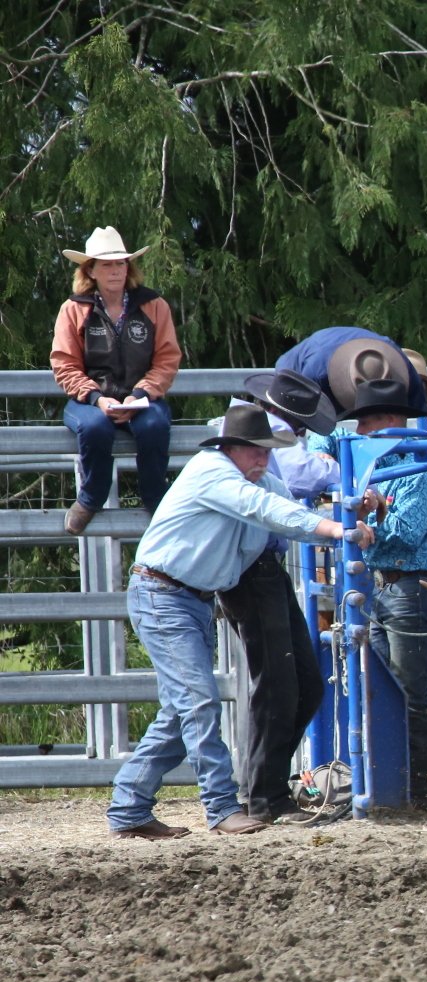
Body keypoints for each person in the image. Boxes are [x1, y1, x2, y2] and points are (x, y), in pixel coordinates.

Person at [108, 405, 371, 840]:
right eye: (255, 450)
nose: (264, 459)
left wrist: (344, 519)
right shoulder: (213, 473)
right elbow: (266, 509)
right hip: (164, 595)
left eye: (267, 451)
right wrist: (336, 531)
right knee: (197, 704)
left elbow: (288, 517)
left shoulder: (255, 479)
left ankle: (128, 807)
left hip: (186, 597)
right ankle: (222, 808)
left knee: (181, 711)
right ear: (229, 448)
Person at [217, 368, 339, 821]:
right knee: (283, 685)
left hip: (263, 570)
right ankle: (266, 794)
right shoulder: (271, 437)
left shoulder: (257, 437)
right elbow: (302, 480)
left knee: (298, 684)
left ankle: (263, 786)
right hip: (254, 573)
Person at [330, 378, 427, 806]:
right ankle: (414, 783)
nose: (360, 433)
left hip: (408, 588)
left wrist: (370, 516)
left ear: (389, 421)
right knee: (393, 687)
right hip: (392, 590)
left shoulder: (423, 467)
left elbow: (403, 535)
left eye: (365, 423)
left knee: (409, 691)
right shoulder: (391, 466)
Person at [50, 227, 182, 535]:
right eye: (107, 264)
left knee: (154, 427)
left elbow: (167, 359)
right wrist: (97, 398)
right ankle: (91, 498)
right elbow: (64, 364)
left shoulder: (154, 306)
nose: (115, 270)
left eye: (120, 263)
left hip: (141, 397)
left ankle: (154, 497)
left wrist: (140, 393)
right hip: (90, 399)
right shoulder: (73, 310)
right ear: (91, 270)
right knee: (94, 428)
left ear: (129, 267)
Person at [274, 326, 427, 417]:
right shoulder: (315, 375)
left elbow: (422, 417)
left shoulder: (399, 366)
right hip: (299, 371)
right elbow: (305, 422)